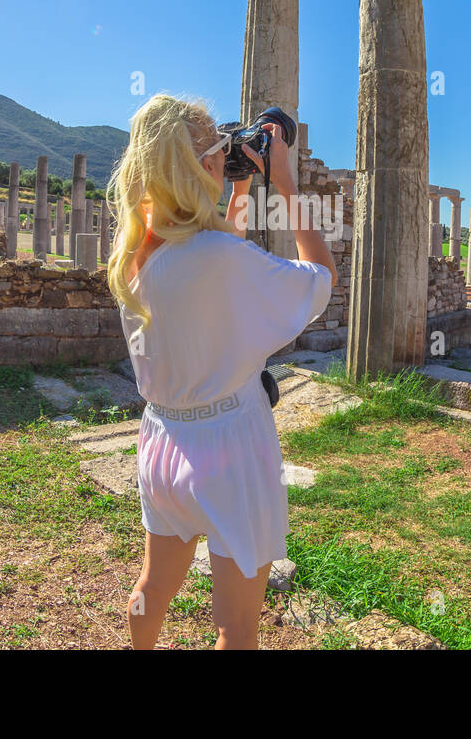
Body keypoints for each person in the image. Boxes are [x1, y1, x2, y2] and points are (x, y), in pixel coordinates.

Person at [106, 93, 338, 649]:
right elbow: (320, 278)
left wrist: (235, 191)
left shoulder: (135, 253)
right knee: (236, 628)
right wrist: (284, 184)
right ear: (203, 164)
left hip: (163, 443)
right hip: (231, 445)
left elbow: (211, 255)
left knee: (152, 589)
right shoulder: (219, 258)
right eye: (218, 152)